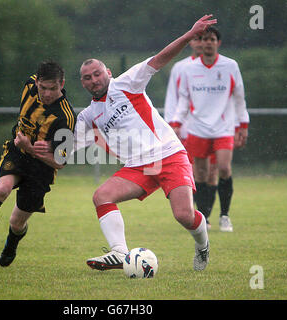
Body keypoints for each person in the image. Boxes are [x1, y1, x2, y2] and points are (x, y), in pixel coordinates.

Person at [75, 15, 217, 272]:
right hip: (139, 166)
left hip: (169, 154)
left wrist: (188, 35)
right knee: (102, 196)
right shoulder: (87, 115)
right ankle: (119, 252)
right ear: (82, 83)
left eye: (97, 73)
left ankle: (202, 246)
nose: (93, 79)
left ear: (108, 72)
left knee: (183, 215)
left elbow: (160, 58)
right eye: (87, 77)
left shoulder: (127, 82)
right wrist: (35, 149)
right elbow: (67, 149)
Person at [0, 61, 76, 266]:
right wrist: (24, 148)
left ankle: (12, 243)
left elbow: (60, 163)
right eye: (43, 87)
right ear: (37, 82)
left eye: (52, 89)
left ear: (61, 84)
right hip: (17, 153)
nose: (46, 93)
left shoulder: (66, 117)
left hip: (42, 169)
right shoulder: (29, 85)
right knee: (1, 190)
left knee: (17, 223)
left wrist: (31, 148)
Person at [172, 26, 249, 232]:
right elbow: (184, 99)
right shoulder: (189, 69)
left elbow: (239, 97)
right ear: (201, 43)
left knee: (223, 168)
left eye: (212, 39)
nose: (208, 42)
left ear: (218, 43)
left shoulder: (230, 66)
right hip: (198, 128)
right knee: (201, 174)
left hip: (223, 128)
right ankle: (204, 217)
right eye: (205, 39)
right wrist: (177, 123)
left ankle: (225, 215)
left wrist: (243, 124)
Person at [164, 35, 217, 231]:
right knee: (193, 173)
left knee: (212, 172)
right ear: (192, 43)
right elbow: (173, 97)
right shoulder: (181, 67)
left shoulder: (219, 67)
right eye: (197, 39)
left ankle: (207, 214)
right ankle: (196, 213)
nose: (201, 43)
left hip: (212, 129)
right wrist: (172, 125)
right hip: (187, 129)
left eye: (205, 39)